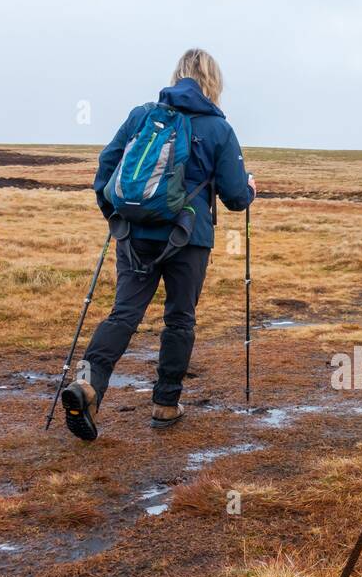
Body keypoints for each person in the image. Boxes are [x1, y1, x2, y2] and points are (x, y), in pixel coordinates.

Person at [61, 48, 255, 441]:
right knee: (179, 318)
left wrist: (117, 218)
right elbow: (235, 196)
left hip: (134, 236)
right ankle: (166, 404)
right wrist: (250, 190)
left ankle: (88, 383)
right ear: (213, 82)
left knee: (122, 315)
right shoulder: (219, 129)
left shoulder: (141, 116)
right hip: (189, 238)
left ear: (177, 75)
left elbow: (106, 167)